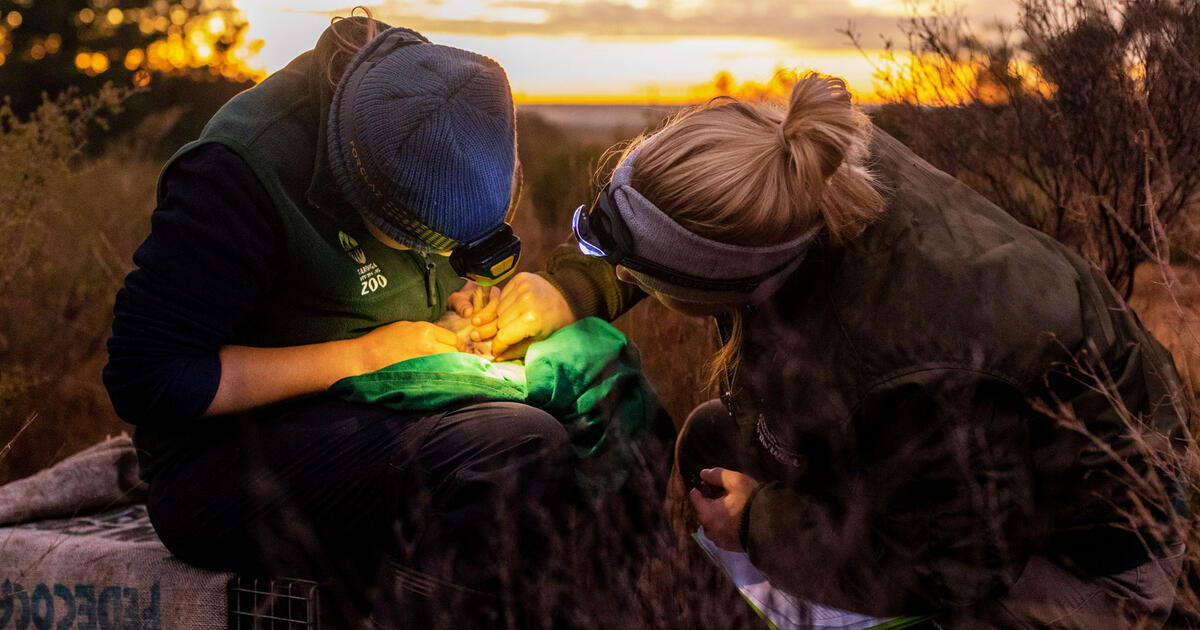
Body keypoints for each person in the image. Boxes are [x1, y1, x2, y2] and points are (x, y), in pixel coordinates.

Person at [484, 74, 1191, 626]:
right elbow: (679, 231)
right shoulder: (808, 169)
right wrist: (574, 290)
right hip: (945, 456)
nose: (620, 270)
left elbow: (960, 566)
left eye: (633, 272)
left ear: (720, 282)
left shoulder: (913, 352)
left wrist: (763, 521)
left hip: (1089, 552)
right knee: (713, 440)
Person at [103, 16, 573, 626]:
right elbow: (149, 378)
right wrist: (365, 358)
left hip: (370, 410)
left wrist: (453, 298)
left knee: (594, 406)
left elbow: (417, 244)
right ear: (360, 192)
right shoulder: (238, 176)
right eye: (427, 243)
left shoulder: (430, 94)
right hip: (222, 463)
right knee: (515, 449)